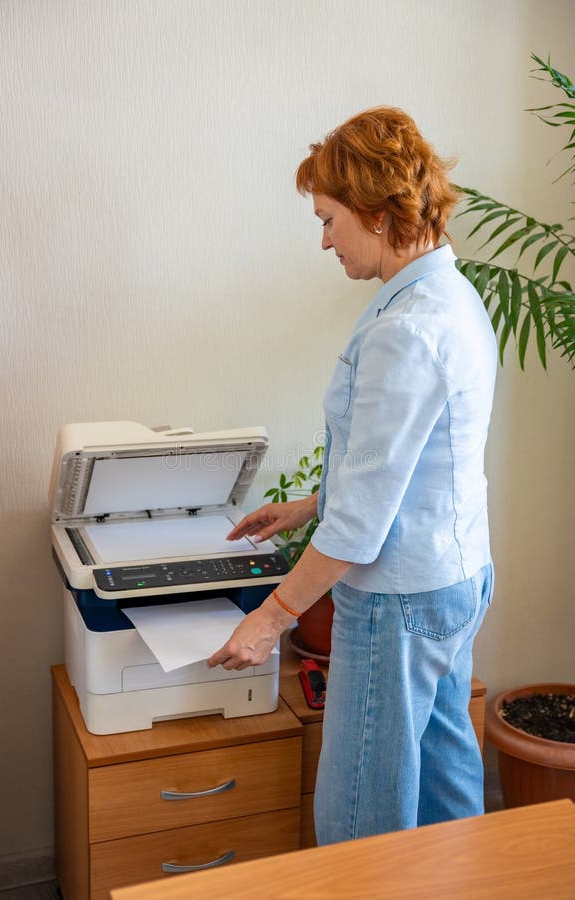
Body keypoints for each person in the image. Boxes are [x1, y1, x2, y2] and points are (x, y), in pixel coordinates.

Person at [208, 106, 497, 844]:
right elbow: (408, 462)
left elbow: (366, 522)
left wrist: (271, 618)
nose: (325, 239)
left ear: (376, 212)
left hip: (398, 598)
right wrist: (307, 506)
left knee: (360, 815)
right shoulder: (449, 297)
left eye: (330, 218)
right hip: (453, 574)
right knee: (442, 782)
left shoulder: (408, 329)